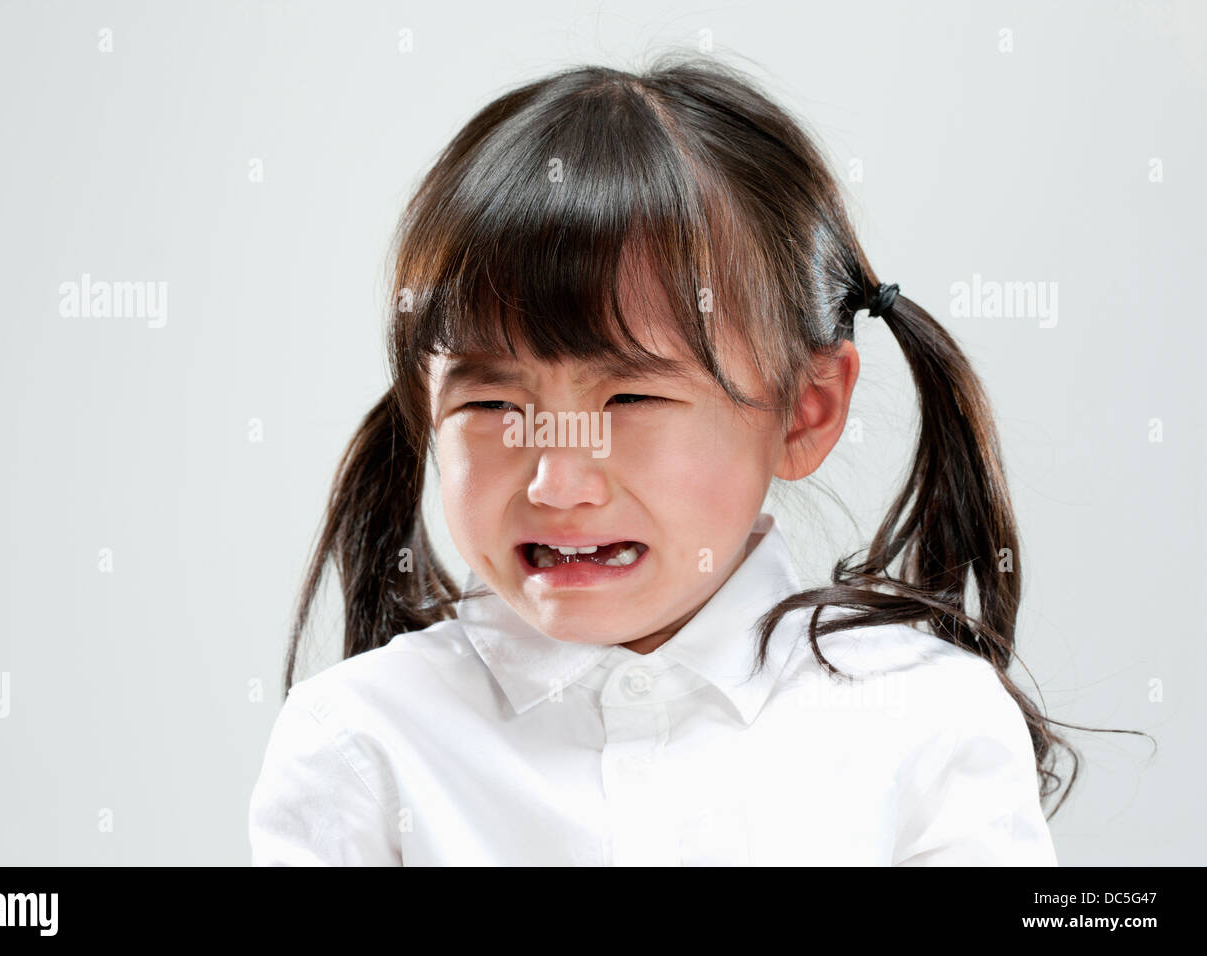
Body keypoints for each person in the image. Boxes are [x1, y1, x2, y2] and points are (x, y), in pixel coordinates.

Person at [248, 54, 1078, 865]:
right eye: (494, 405)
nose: (557, 482)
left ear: (805, 409)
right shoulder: (358, 744)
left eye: (630, 401)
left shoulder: (927, 723)